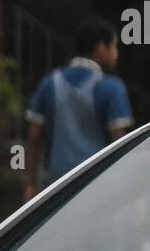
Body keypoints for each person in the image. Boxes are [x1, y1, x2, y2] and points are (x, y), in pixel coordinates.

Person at [24, 16, 133, 196]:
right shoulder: (112, 88)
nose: (116, 54)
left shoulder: (50, 83)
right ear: (100, 48)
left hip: (55, 188)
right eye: (114, 47)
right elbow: (120, 141)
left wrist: (30, 183)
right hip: (97, 186)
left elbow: (34, 137)